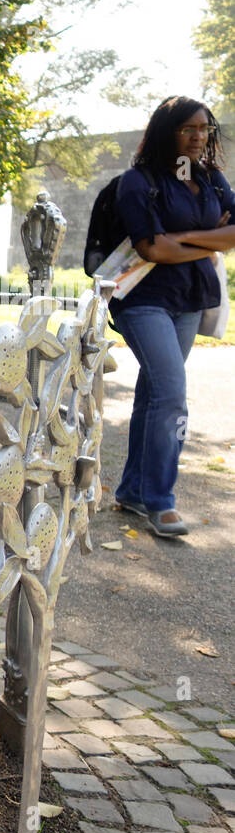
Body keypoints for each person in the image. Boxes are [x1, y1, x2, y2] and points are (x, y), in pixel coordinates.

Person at [112, 96, 235, 537]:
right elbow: (151, 248)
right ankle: (160, 502)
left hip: (189, 300)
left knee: (154, 394)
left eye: (204, 128)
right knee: (171, 395)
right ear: (167, 132)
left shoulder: (212, 180)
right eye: (188, 128)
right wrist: (210, 239)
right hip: (142, 301)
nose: (199, 136)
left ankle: (131, 490)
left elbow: (232, 234)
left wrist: (182, 237)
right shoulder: (137, 181)